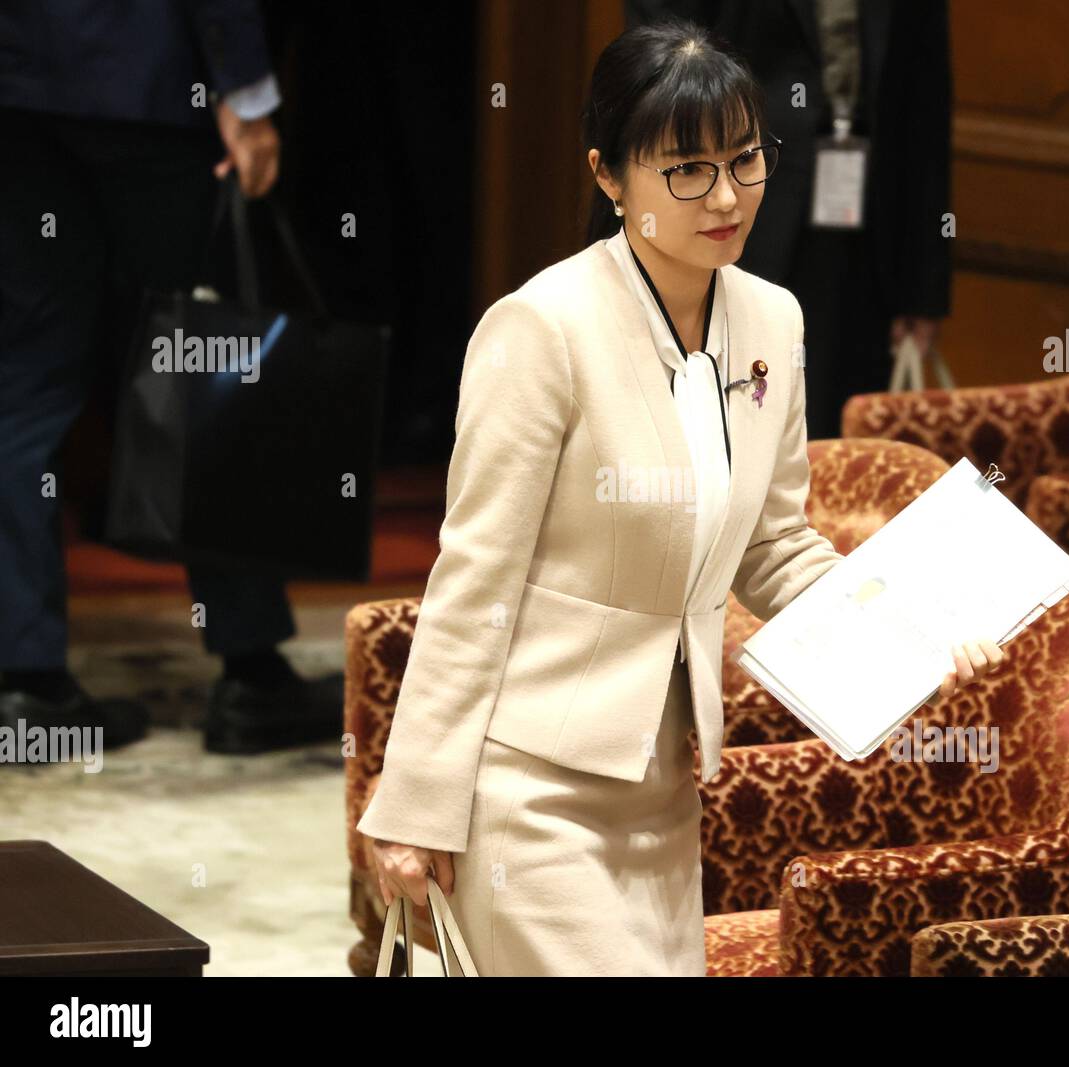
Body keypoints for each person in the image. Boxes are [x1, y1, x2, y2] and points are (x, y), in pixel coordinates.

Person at [360, 16, 999, 977]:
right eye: (686, 170)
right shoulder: (541, 328)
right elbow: (474, 581)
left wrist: (908, 625)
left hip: (662, 787)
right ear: (609, 176)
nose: (726, 196)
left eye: (746, 160)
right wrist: (415, 805)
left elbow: (778, 545)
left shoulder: (770, 319)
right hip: (531, 787)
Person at [0, 0, 341, 754]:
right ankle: (251, 674)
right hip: (143, 82)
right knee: (201, 364)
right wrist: (243, 88)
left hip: (20, 85)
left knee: (23, 381)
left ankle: (27, 688)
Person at [625, 0, 953, 439]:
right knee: (718, 423)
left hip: (864, 223)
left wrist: (921, 285)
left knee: (836, 436)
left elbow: (924, 98)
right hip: (726, 202)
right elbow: (661, 62)